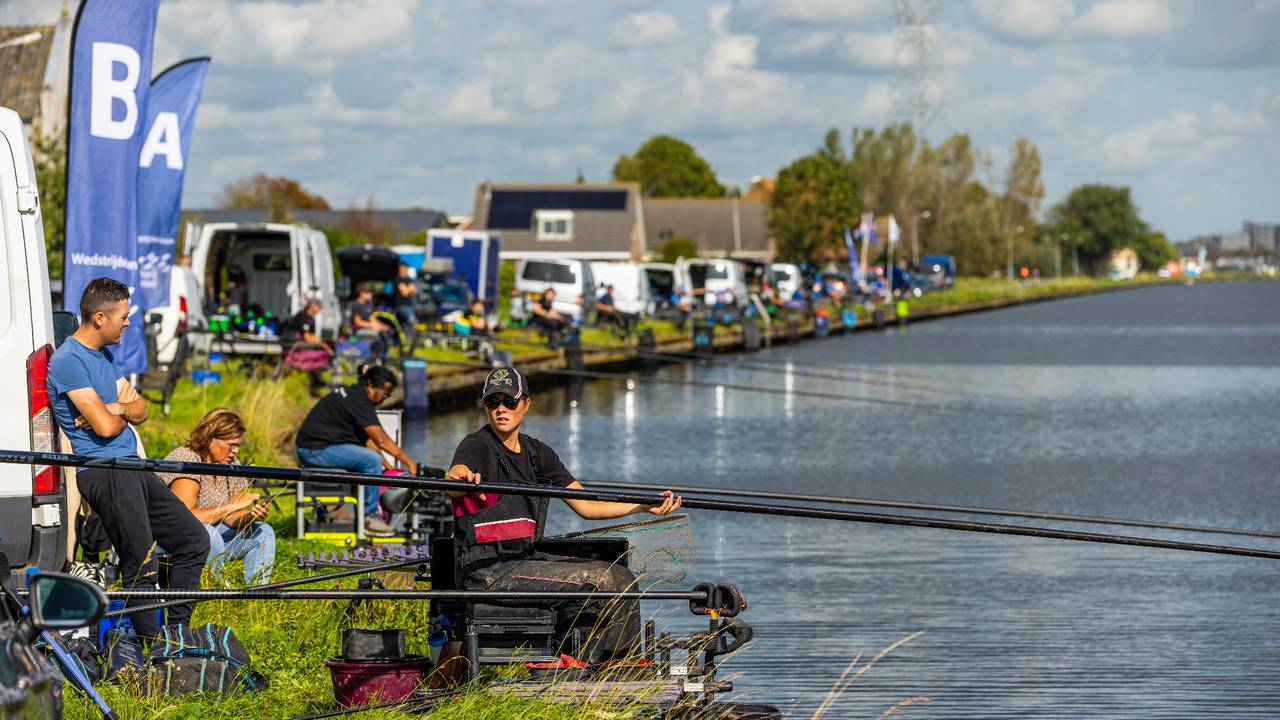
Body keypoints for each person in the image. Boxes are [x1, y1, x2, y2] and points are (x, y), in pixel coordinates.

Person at [444, 366, 682, 665]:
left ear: (526, 404)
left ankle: (614, 663)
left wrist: (642, 506)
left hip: (523, 560)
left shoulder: (539, 454)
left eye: (509, 402)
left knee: (622, 576)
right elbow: (455, 477)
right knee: (602, 580)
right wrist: (459, 480)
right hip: (488, 571)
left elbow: (587, 506)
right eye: (493, 402)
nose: (501, 409)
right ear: (485, 406)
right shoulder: (476, 445)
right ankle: (591, 666)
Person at [47, 277, 209, 639]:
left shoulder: (104, 355)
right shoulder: (69, 361)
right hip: (105, 471)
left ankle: (177, 635)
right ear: (101, 318)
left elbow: (142, 409)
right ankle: (154, 650)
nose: (128, 323)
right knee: (141, 563)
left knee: (194, 541)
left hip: (131, 468)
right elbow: (104, 429)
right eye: (123, 316)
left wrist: (116, 406)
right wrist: (116, 412)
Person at [294, 365, 417, 537]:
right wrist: (408, 462)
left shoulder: (354, 395)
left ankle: (351, 511)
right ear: (372, 386)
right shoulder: (359, 401)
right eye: (385, 393)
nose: (385, 398)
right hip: (313, 450)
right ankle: (369, 517)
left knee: (372, 459)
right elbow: (381, 439)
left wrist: (388, 466)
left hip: (317, 447)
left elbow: (367, 441)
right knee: (371, 460)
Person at [156, 408, 276, 584]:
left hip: (212, 535)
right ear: (210, 439)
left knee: (263, 532)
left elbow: (231, 518)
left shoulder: (231, 464)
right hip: (165, 533)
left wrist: (251, 516)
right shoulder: (188, 459)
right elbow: (185, 517)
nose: (235, 451)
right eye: (231, 444)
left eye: (238, 445)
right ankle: (214, 592)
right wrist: (230, 507)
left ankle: (257, 594)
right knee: (209, 534)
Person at [350, 284, 394, 356]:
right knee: (378, 337)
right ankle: (371, 356)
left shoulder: (369, 304)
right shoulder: (355, 304)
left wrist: (382, 326)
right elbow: (358, 322)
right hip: (359, 330)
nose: (371, 294)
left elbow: (372, 318)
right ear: (361, 293)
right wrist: (371, 325)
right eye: (368, 292)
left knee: (387, 334)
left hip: (370, 328)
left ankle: (384, 358)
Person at [393, 263, 418, 335]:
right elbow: (405, 293)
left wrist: (407, 289)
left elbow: (414, 291)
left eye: (405, 268)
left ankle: (407, 341)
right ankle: (410, 339)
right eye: (402, 268)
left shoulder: (409, 279)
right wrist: (409, 288)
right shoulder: (398, 279)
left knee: (405, 325)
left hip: (409, 305)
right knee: (412, 321)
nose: (404, 269)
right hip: (401, 305)